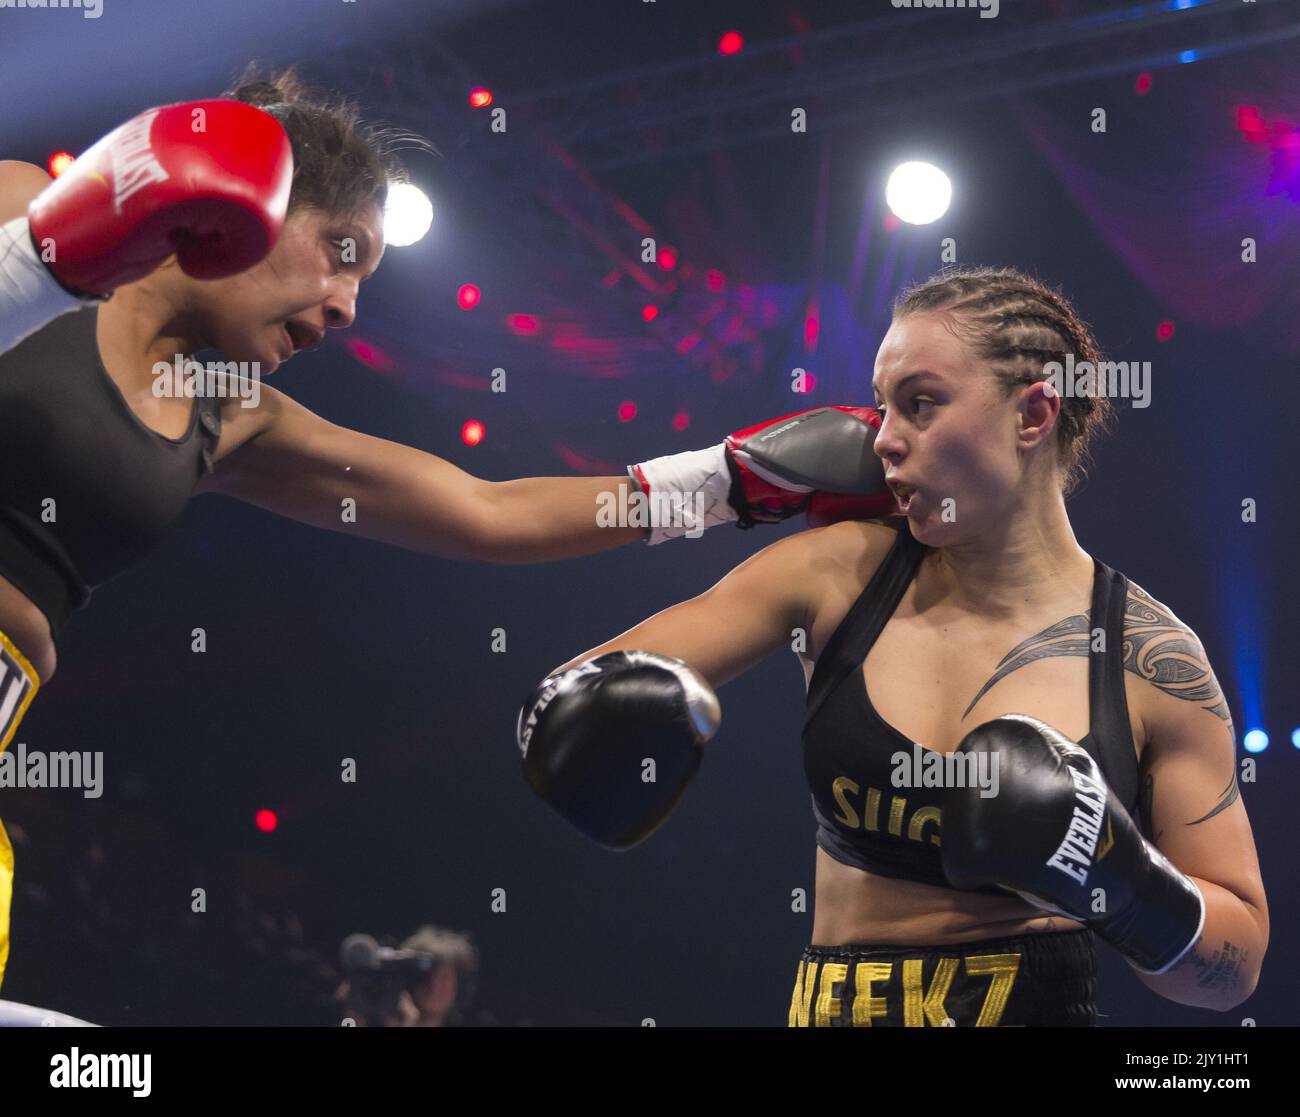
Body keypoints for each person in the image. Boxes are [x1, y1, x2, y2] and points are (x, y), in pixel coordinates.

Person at [0, 65, 895, 991]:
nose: (348, 306)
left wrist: (725, 484)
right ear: (256, 200)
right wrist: (40, 262)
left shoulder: (230, 415)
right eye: (340, 250)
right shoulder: (26, 202)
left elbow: (486, 512)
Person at [518, 267, 1270, 1026]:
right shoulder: (838, 572)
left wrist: (1120, 879)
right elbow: (572, 700)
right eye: (881, 409)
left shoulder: (1148, 657)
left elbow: (1232, 968)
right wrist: (721, 483)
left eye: (920, 404)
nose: (882, 440)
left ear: (1035, 413)